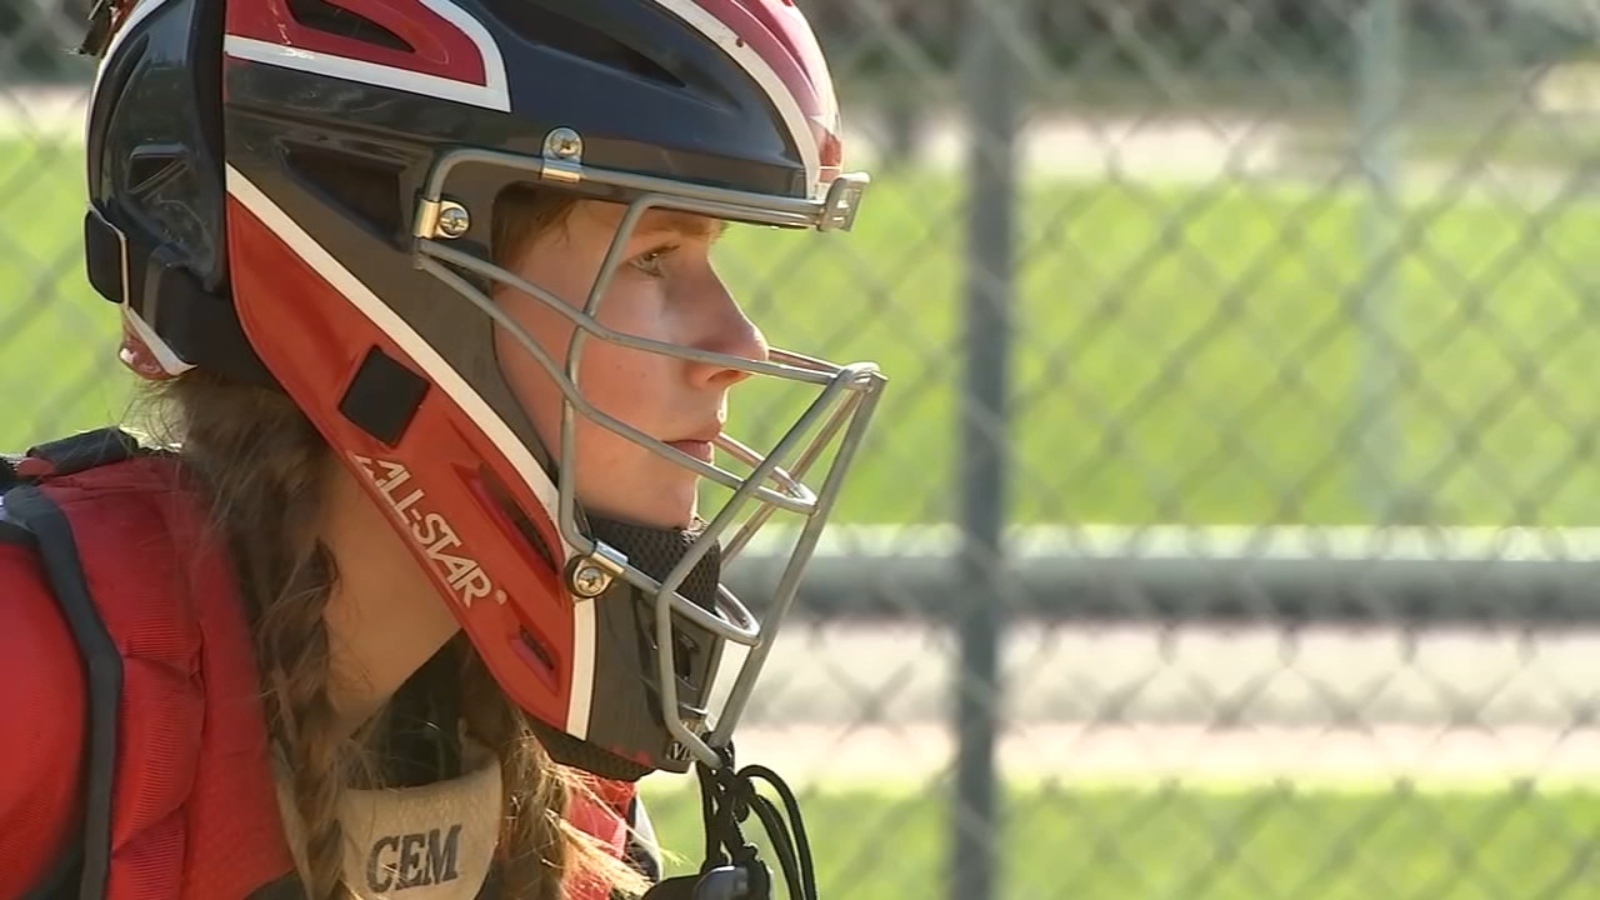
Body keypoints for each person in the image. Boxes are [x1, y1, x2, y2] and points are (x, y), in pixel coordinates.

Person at [0, 0, 884, 898]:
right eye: (652, 257)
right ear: (392, 291)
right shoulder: (31, 674)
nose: (742, 349)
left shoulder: (557, 790)